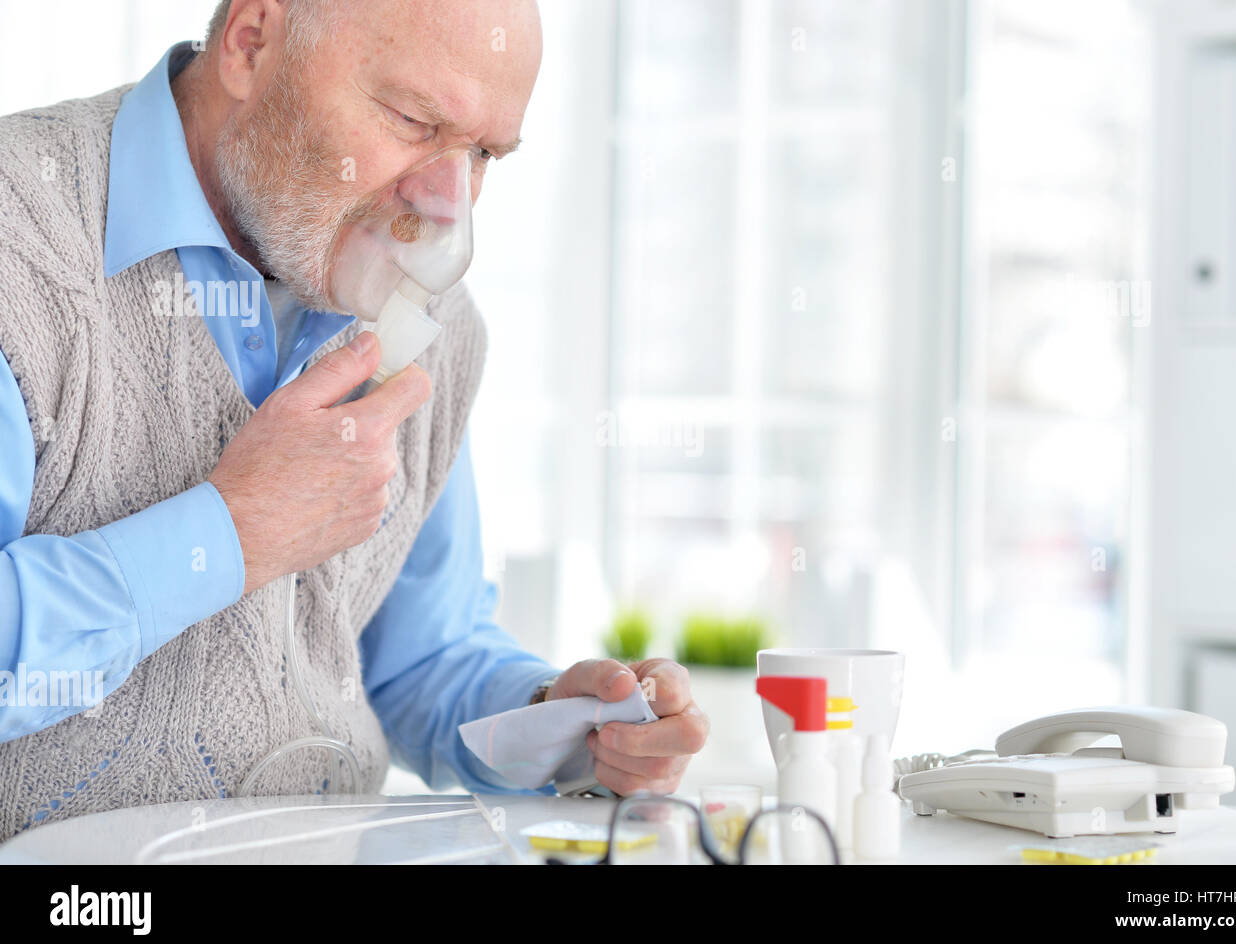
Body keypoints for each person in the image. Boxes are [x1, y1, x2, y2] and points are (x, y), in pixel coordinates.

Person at [0, 0, 708, 839]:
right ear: (252, 42)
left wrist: (560, 720)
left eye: (482, 153)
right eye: (412, 121)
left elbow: (422, 658)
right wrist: (233, 530)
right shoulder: (22, 249)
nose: (446, 207)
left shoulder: (428, 324)